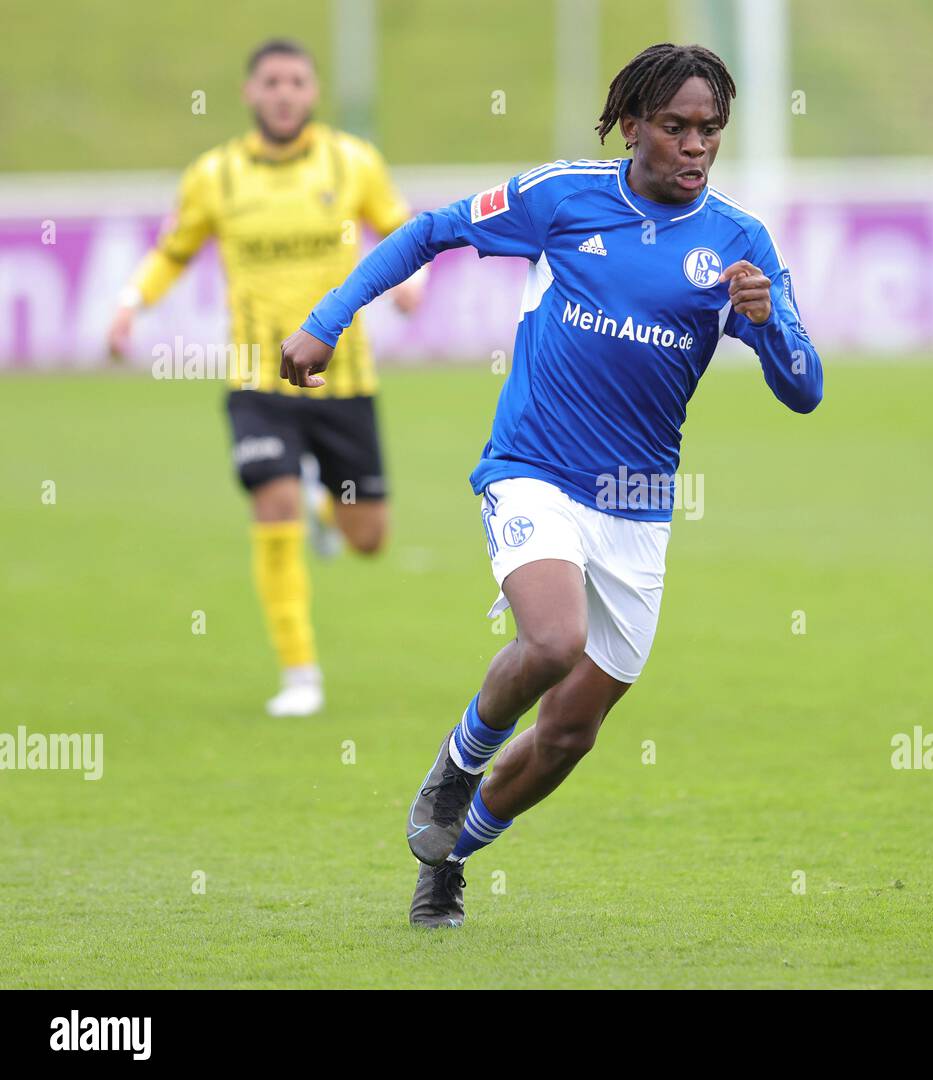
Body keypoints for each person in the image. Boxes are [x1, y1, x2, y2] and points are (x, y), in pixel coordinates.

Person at [280, 42, 823, 926]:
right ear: (634, 126)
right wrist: (326, 322)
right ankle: (455, 768)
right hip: (533, 469)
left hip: (639, 508)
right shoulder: (562, 196)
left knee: (571, 732)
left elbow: (806, 390)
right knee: (553, 638)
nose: (695, 147)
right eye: (677, 128)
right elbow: (427, 232)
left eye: (710, 131)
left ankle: (451, 855)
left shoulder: (738, 243)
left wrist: (768, 326)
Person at [109, 38, 421, 717]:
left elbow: (401, 231)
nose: (284, 93)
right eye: (271, 82)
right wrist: (131, 306)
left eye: (296, 82)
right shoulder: (214, 176)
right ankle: (300, 672)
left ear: (312, 94)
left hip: (344, 381)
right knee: (269, 499)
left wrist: (411, 283)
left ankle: (324, 510)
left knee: (368, 540)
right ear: (251, 94)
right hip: (257, 380)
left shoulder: (353, 161)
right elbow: (174, 251)